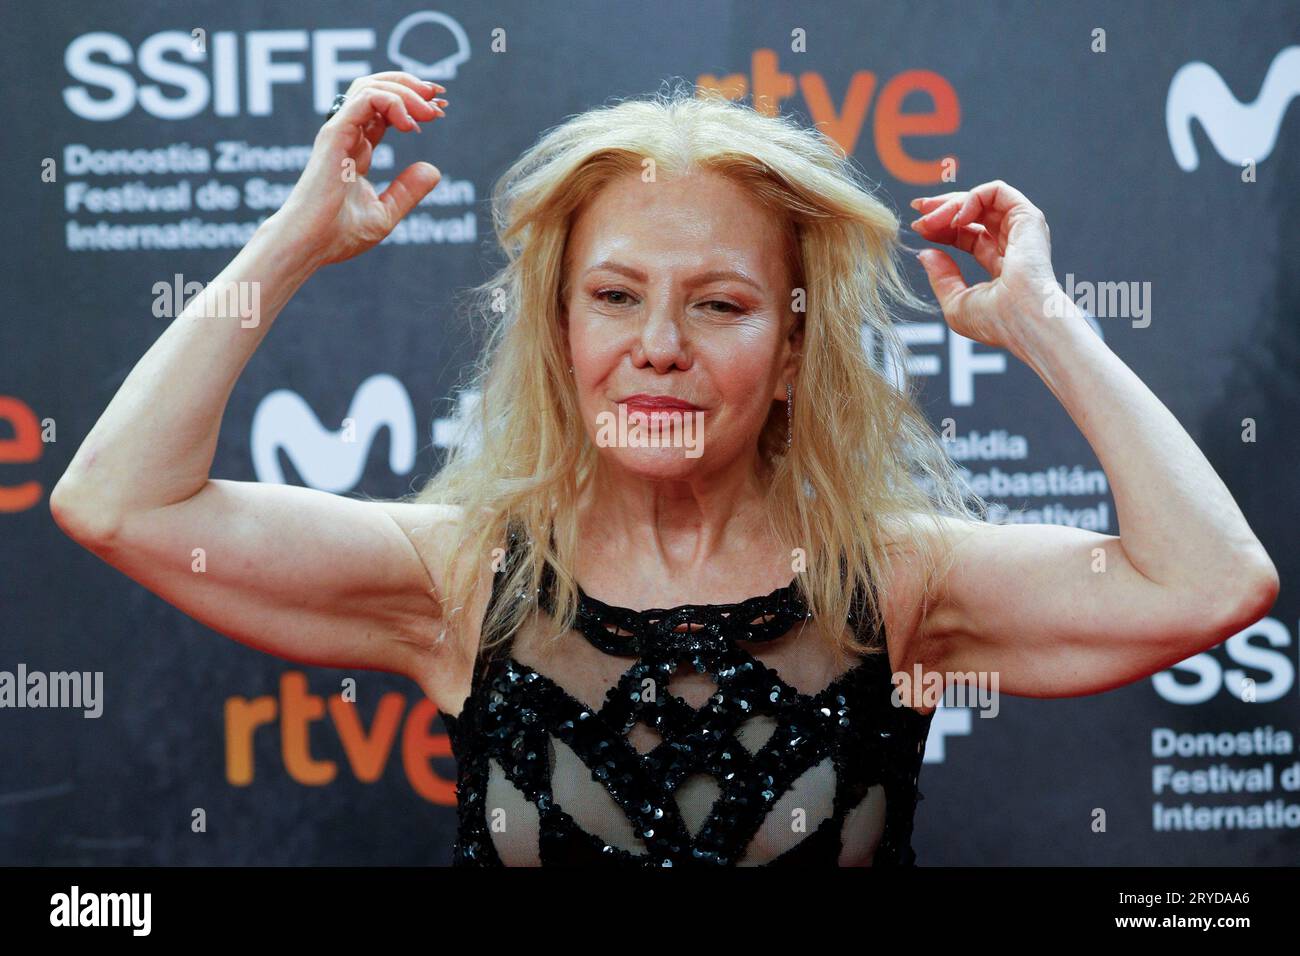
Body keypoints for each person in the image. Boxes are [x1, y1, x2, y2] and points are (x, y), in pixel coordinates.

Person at [50, 74, 1279, 867]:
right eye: (615, 295)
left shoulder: (891, 581)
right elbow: (118, 499)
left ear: (794, 350)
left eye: (720, 304)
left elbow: (1206, 584)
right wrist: (296, 235)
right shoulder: (463, 576)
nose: (657, 347)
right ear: (560, 331)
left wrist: (1049, 325)